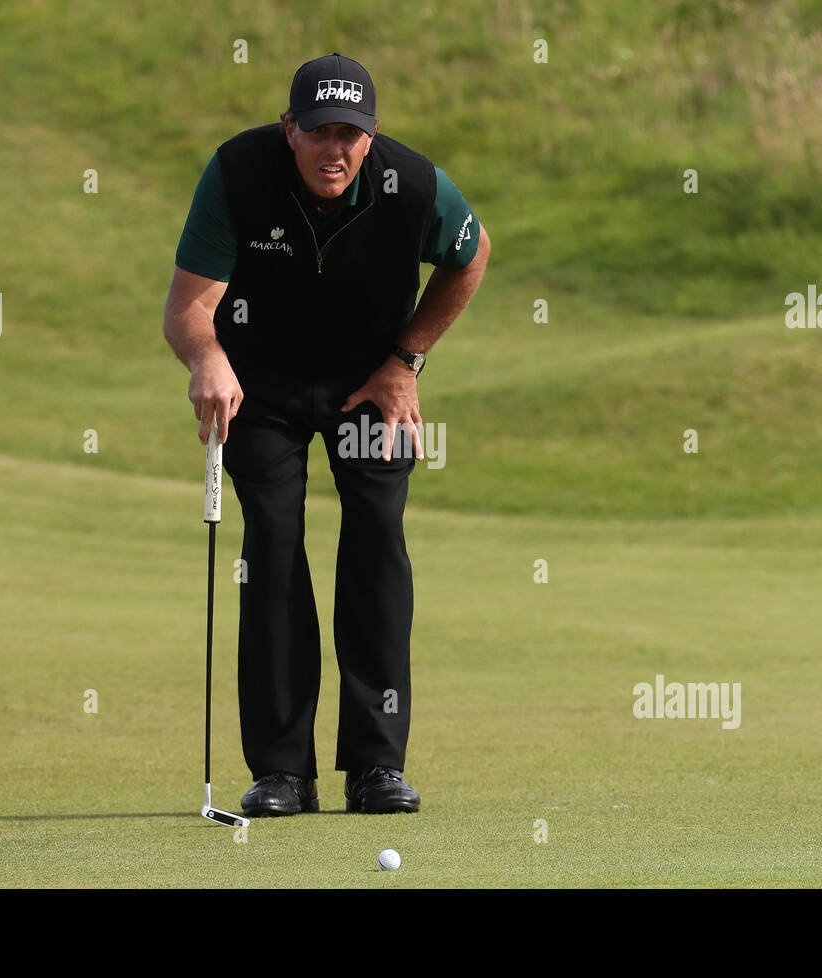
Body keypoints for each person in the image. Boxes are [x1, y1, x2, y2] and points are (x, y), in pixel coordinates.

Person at [163, 53, 489, 816]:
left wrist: (406, 360)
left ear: (370, 138)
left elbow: (470, 257)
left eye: (350, 133)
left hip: (369, 381)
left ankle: (377, 767)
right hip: (261, 386)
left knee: (376, 538)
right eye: (318, 132)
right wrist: (207, 358)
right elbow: (188, 306)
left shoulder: (413, 185)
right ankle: (282, 771)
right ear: (290, 130)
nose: (334, 148)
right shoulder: (239, 173)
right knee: (272, 544)